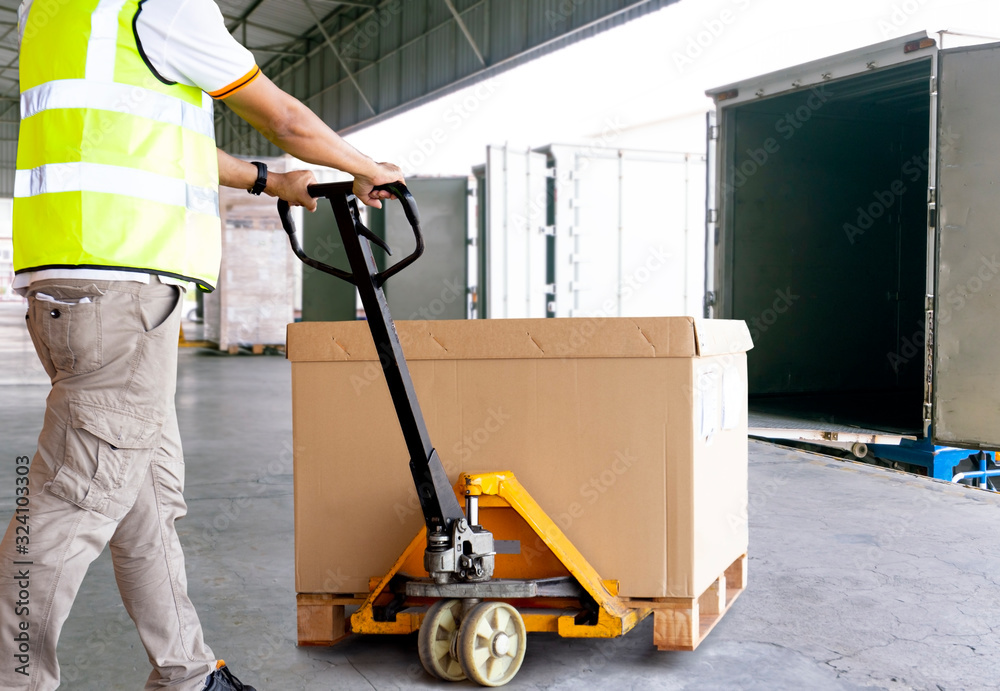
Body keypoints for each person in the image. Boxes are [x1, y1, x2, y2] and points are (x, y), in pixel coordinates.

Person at [1, 0, 403, 689]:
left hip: (81, 284)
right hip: (120, 291)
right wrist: (366, 166)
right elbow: (285, 118)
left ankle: (186, 674)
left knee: (146, 497)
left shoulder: (60, 10)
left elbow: (154, 139)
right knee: (74, 501)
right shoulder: (162, 5)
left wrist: (272, 181)